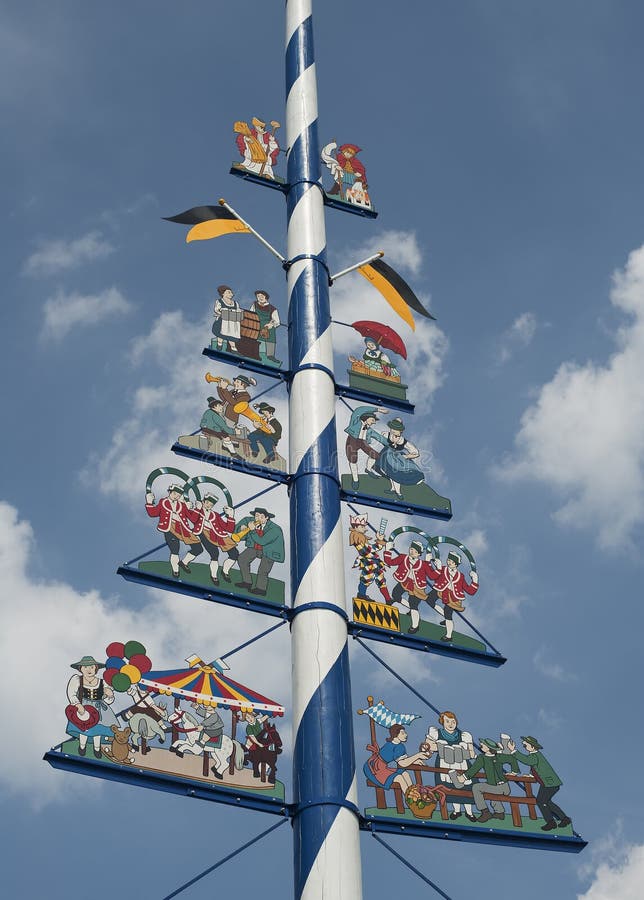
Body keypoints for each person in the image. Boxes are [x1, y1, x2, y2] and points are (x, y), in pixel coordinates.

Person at [508, 736, 572, 831]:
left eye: (525, 745)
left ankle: (551, 822)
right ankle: (564, 819)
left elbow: (527, 761)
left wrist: (514, 751)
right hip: (548, 783)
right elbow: (536, 767)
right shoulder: (535, 755)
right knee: (547, 802)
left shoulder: (535, 755)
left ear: (533, 746)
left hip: (550, 784)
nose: (524, 747)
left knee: (541, 801)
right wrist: (531, 775)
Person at [424, 711, 477, 821]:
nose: (451, 724)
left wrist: (464, 751)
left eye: (453, 721)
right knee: (449, 787)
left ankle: (469, 812)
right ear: (442, 722)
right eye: (447, 721)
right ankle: (456, 811)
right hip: (444, 763)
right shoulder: (436, 733)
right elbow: (427, 746)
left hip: (462, 764)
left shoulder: (464, 735)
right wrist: (439, 748)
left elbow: (472, 753)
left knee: (467, 787)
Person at [452, 738, 519, 823]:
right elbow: (512, 759)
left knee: (476, 788)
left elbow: (474, 769)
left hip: (498, 787)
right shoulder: (498, 756)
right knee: (491, 792)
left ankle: (485, 812)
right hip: (505, 787)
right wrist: (514, 772)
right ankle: (499, 812)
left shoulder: (483, 758)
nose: (480, 746)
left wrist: (464, 777)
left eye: (482, 745)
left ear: (488, 748)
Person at [65, 655, 119, 758]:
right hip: (84, 707)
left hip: (99, 709)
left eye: (92, 667)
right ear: (81, 669)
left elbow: (108, 701)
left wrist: (110, 695)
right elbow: (71, 693)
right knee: (83, 729)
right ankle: (82, 746)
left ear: (96, 668)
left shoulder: (102, 683)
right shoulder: (77, 679)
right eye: (85, 667)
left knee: (97, 730)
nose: (89, 670)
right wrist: (78, 705)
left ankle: (97, 748)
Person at [145, 483, 201, 578]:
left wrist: (197, 509)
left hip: (183, 529)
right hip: (169, 528)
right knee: (175, 549)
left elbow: (193, 519)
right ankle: (175, 570)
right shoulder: (163, 502)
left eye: (178, 495)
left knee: (198, 548)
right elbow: (153, 513)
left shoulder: (182, 505)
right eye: (174, 494)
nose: (176, 497)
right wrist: (149, 502)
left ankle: (184, 562)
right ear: (170, 492)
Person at [383, 540, 435, 634]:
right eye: (411, 549)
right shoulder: (403, 557)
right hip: (404, 581)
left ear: (419, 554)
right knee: (395, 595)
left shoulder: (423, 564)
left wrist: (429, 562)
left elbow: (432, 576)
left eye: (415, 551)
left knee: (413, 604)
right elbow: (390, 562)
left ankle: (415, 626)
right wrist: (387, 550)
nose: (412, 552)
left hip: (417, 587)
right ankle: (410, 609)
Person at [425, 551, 479, 643]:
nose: (449, 562)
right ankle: (445, 617)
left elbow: (470, 590)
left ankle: (448, 635)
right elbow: (432, 576)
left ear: (456, 564)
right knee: (429, 599)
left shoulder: (460, 576)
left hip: (454, 597)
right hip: (441, 590)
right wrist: (429, 563)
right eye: (448, 560)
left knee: (448, 613)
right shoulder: (443, 569)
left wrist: (475, 580)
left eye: (452, 561)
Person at [362, 724, 429, 793]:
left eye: (405, 732)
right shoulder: (393, 745)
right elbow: (402, 763)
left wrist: (415, 760)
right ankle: (409, 797)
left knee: (405, 774)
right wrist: (417, 756)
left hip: (384, 767)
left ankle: (414, 794)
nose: (406, 735)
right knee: (399, 778)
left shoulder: (400, 746)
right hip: (374, 769)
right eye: (402, 733)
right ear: (395, 734)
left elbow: (404, 759)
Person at [187, 494, 237, 586]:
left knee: (234, 554)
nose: (208, 506)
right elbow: (193, 519)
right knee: (214, 554)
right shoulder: (196, 511)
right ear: (203, 502)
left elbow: (229, 529)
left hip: (220, 535)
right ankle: (214, 576)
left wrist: (230, 516)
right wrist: (195, 508)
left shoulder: (215, 515)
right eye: (207, 503)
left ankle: (225, 571)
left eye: (211, 505)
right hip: (205, 534)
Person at [235, 508, 285, 596]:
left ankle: (261, 589)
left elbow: (262, 541)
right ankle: (247, 582)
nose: (258, 519)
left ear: (267, 518)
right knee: (242, 559)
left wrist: (252, 530)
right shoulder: (250, 521)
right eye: (257, 516)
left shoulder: (275, 529)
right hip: (255, 548)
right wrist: (241, 528)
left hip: (269, 551)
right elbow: (239, 526)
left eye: (262, 517)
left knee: (263, 570)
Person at [374, 418, 424, 499]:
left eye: (395, 430)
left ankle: (398, 492)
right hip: (385, 456)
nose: (393, 431)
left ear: (400, 431)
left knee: (396, 474)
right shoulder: (386, 434)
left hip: (397, 459)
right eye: (392, 429)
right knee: (390, 473)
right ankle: (393, 489)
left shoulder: (403, 441)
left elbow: (416, 453)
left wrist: (406, 456)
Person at [349, 514, 392, 604]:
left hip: (375, 563)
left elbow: (371, 549)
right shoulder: (357, 538)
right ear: (356, 527)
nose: (365, 529)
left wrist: (380, 540)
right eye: (362, 526)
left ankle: (388, 599)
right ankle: (361, 594)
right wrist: (380, 541)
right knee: (366, 579)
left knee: (381, 581)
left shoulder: (362, 538)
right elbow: (369, 550)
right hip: (369, 563)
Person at [344, 404, 389, 490]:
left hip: (363, 443)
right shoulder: (355, 421)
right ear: (366, 418)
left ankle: (368, 469)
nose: (374, 422)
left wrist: (392, 445)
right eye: (373, 420)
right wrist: (378, 410)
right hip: (352, 440)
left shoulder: (369, 430)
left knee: (375, 455)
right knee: (353, 460)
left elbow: (380, 438)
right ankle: (355, 480)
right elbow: (359, 410)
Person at [250, 290, 280, 362]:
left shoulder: (272, 308)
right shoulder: (254, 305)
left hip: (267, 326)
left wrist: (271, 325)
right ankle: (254, 352)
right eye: (258, 296)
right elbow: (251, 313)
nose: (260, 298)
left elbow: (277, 321)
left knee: (271, 335)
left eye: (262, 296)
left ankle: (270, 355)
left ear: (265, 297)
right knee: (253, 333)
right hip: (257, 323)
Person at [212, 285, 243, 353]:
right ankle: (219, 345)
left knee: (231, 335)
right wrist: (222, 313)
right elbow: (216, 310)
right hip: (223, 320)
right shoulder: (220, 301)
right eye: (229, 292)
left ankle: (233, 349)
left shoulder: (235, 303)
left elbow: (238, 310)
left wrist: (238, 312)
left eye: (231, 292)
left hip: (233, 321)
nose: (231, 294)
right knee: (221, 333)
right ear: (223, 293)